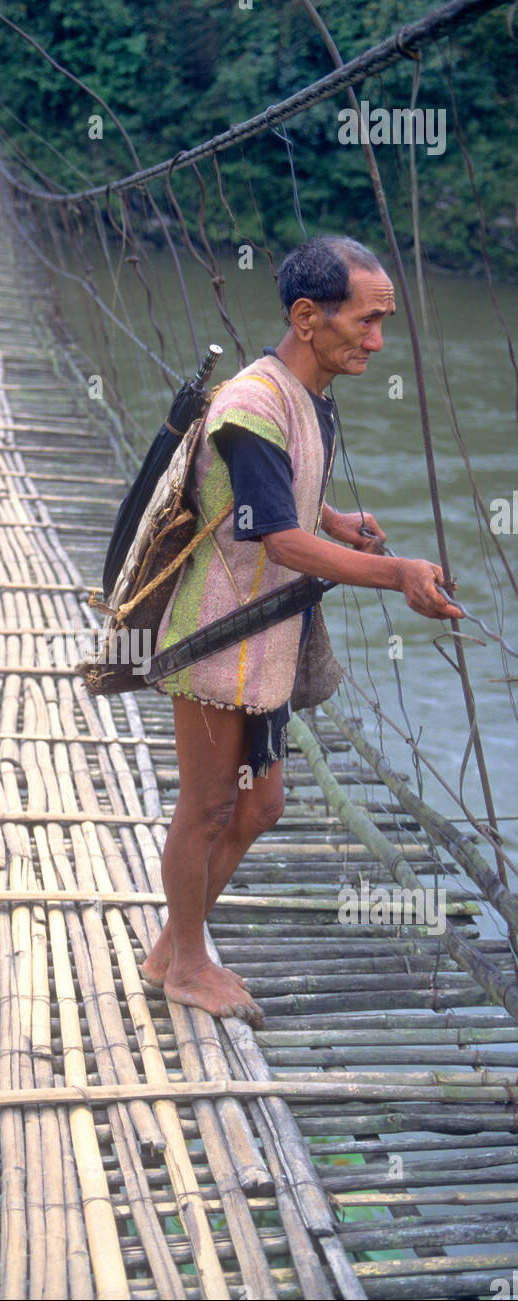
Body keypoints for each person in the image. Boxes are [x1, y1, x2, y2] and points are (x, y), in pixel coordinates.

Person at [143, 234, 462, 1023]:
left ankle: (171, 945)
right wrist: (397, 574)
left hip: (268, 636)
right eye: (366, 322)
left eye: (385, 323)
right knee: (210, 806)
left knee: (260, 807)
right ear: (308, 315)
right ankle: (186, 963)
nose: (377, 341)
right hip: (218, 635)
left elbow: (276, 495)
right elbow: (277, 540)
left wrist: (332, 517)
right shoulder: (254, 403)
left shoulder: (306, 389)